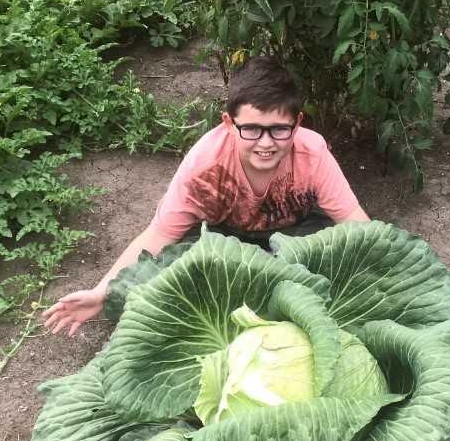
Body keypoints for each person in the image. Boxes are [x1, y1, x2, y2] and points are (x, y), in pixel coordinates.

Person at [43, 56, 370, 336]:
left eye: (279, 129)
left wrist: (387, 268)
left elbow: (356, 224)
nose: (266, 142)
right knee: (156, 280)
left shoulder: (311, 153)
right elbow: (160, 234)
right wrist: (103, 293)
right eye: (252, 129)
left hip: (293, 239)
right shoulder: (205, 163)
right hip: (221, 243)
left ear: (297, 124)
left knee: (342, 262)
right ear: (229, 123)